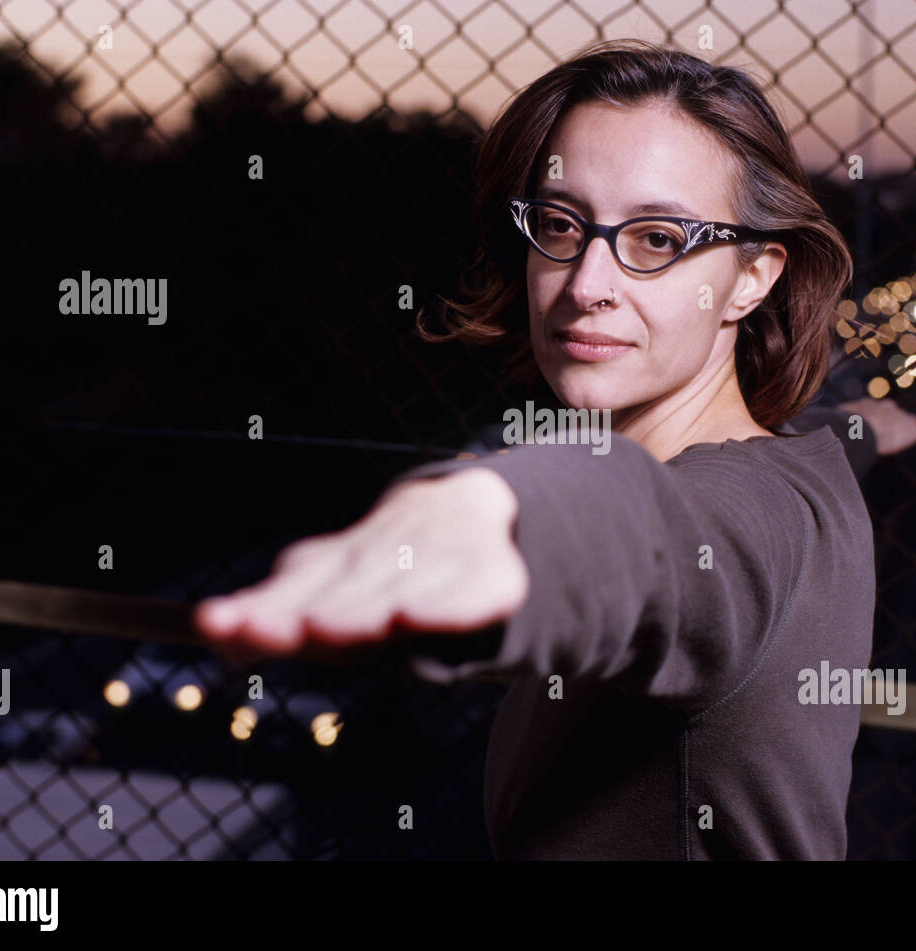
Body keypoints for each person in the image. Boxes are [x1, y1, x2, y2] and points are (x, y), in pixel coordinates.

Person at [196, 40, 881, 860]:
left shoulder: (756, 509)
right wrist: (873, 429)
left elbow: (677, 539)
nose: (587, 280)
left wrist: (505, 509)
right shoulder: (809, 460)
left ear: (752, 277)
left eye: (658, 239)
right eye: (560, 223)